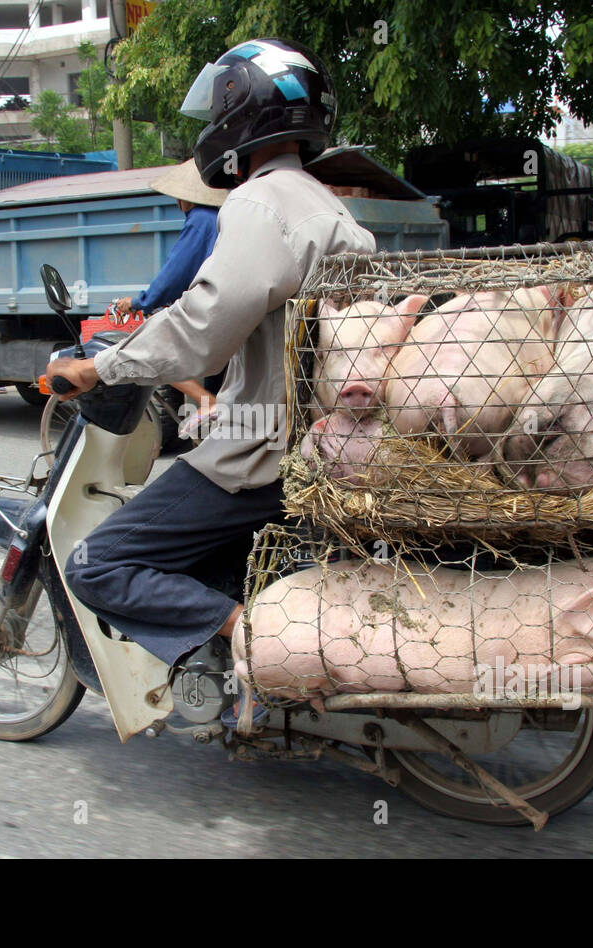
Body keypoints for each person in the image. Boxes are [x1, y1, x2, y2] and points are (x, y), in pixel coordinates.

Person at [47, 39, 375, 698]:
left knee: (97, 563)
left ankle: (257, 635)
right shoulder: (327, 205)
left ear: (242, 115)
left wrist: (104, 367)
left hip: (262, 455)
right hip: (321, 440)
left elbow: (203, 327)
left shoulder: (260, 203)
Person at [113, 159, 229, 428]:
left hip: (215, 310)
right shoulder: (221, 217)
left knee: (159, 352)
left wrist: (140, 302)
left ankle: (205, 401)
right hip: (231, 310)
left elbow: (174, 276)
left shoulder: (201, 220)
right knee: (222, 384)